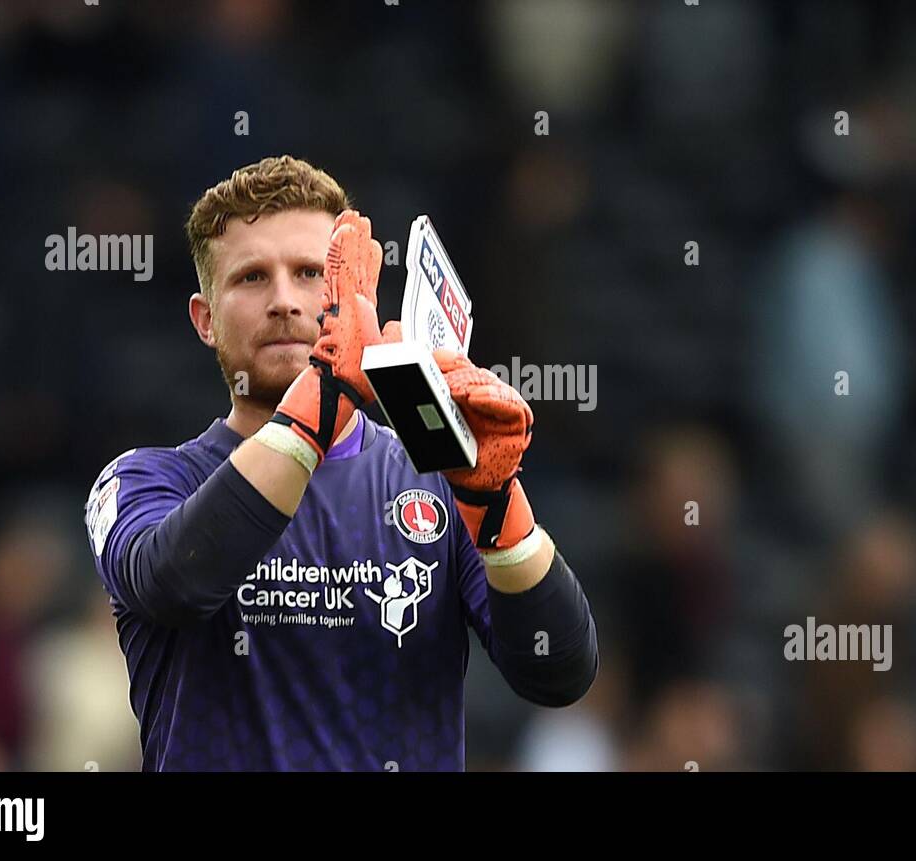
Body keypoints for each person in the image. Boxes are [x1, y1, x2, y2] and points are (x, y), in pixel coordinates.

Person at [83, 155, 598, 771]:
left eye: (308, 273)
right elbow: (177, 582)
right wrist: (324, 397)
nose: (284, 301)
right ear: (205, 320)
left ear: (349, 293)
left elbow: (558, 672)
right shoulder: (144, 480)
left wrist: (495, 501)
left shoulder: (434, 477)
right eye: (251, 278)